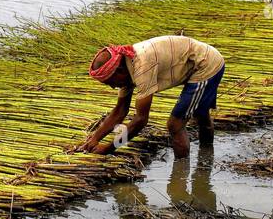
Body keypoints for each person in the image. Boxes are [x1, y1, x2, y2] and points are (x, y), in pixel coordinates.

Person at [78, 36, 225, 158]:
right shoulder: (126, 67)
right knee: (200, 112)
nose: (112, 87)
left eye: (110, 82)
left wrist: (109, 149)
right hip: (195, 60)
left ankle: (180, 173)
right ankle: (206, 156)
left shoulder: (142, 67)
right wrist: (94, 139)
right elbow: (120, 111)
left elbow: (141, 120)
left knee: (175, 125)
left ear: (119, 71)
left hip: (206, 65)